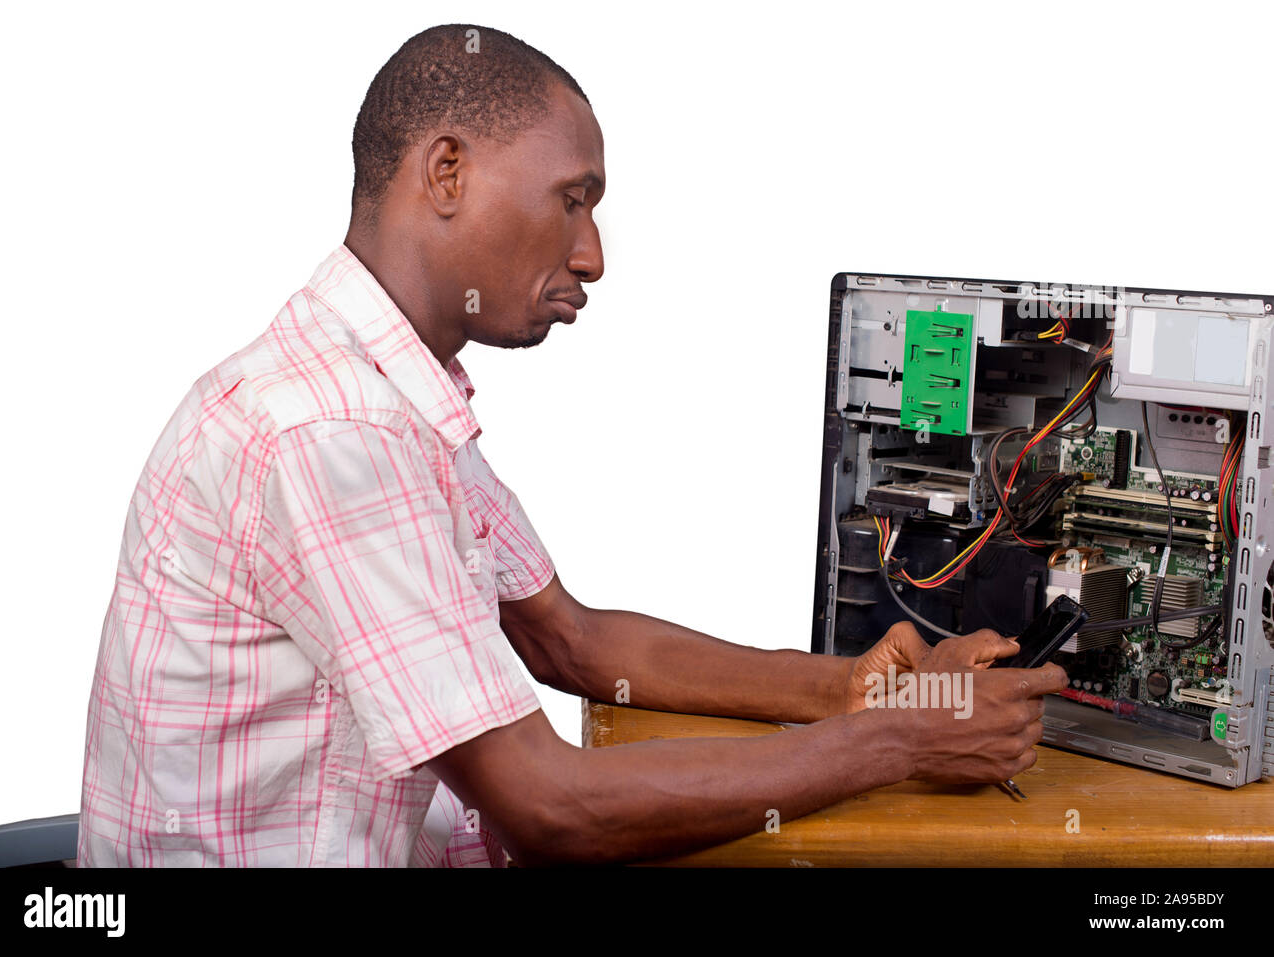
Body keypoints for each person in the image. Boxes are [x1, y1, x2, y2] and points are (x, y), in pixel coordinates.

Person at [77, 23, 1066, 867]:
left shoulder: (387, 390)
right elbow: (547, 806)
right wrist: (891, 746)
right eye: (571, 198)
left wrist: (839, 689)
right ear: (447, 172)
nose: (592, 253)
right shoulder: (333, 430)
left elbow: (567, 637)